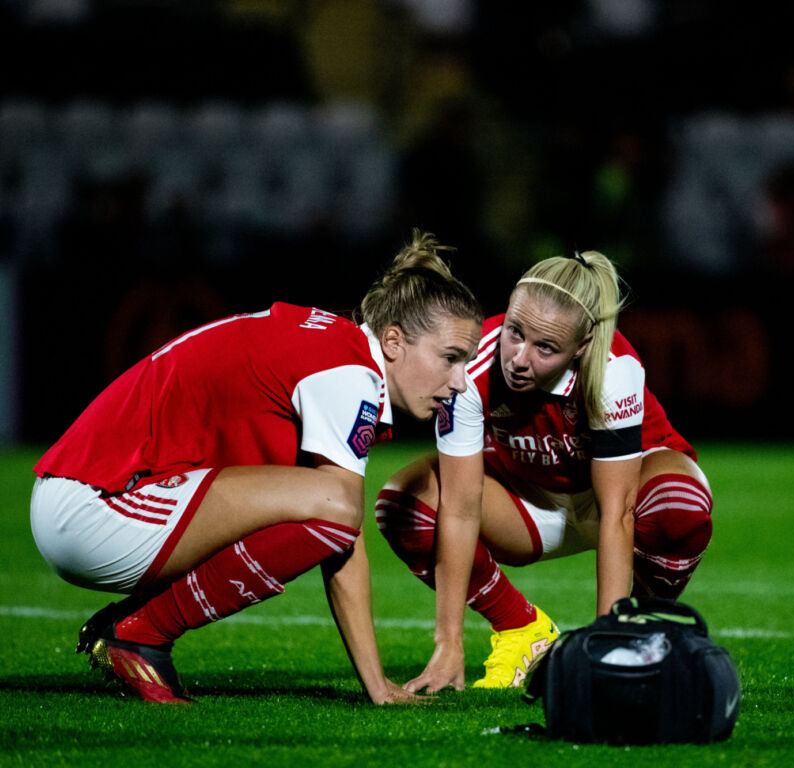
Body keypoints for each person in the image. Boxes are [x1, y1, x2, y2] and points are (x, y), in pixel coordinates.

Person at [30, 231, 484, 704]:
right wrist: (378, 687)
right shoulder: (349, 375)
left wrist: (376, 683)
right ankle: (141, 632)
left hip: (91, 498)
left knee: (333, 503)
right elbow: (340, 520)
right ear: (393, 340)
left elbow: (340, 536)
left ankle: (133, 625)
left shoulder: (336, 348)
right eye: (450, 359)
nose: (458, 381)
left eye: (466, 362)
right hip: (95, 506)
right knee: (335, 502)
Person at [376, 250, 713, 692]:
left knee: (678, 504)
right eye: (515, 332)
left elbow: (618, 513)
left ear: (584, 345)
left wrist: (605, 645)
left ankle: (641, 632)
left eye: (546, 348)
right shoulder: (470, 366)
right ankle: (521, 630)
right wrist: (449, 644)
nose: (518, 357)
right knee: (403, 506)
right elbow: (459, 509)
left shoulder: (614, 369)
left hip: (622, 501)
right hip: (528, 503)